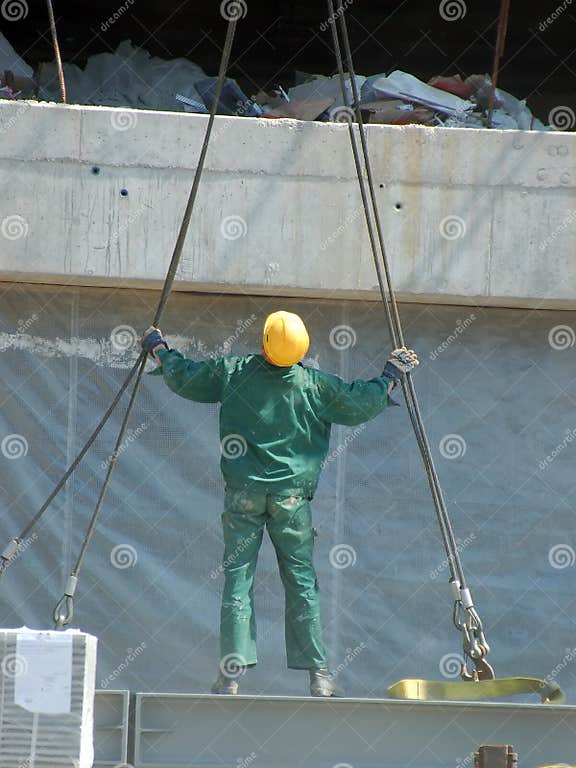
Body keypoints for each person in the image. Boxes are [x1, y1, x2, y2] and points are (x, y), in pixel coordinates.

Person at [141, 311, 419, 697]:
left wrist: (158, 348)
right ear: (302, 350)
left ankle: (231, 674)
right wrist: (391, 375)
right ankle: (319, 675)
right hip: (292, 502)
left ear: (264, 343)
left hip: (243, 497)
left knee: (238, 579)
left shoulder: (233, 373)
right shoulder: (316, 386)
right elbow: (359, 403)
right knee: (301, 581)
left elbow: (185, 376)